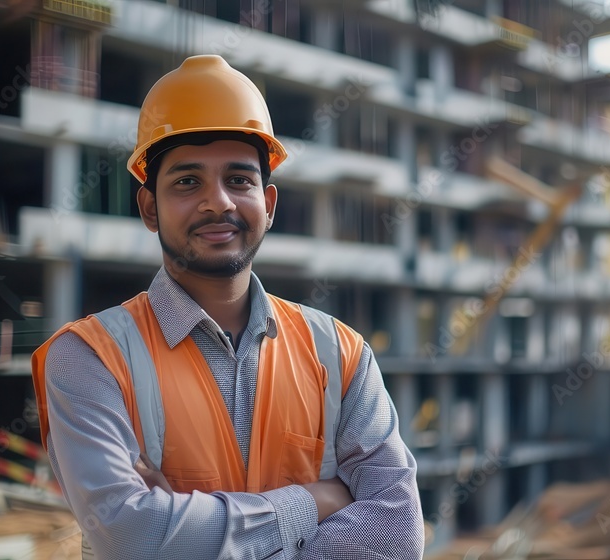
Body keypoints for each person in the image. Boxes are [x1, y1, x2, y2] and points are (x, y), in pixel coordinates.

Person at [31, 55, 424, 559]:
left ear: (270, 203)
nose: (218, 202)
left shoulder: (340, 354)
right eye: (187, 182)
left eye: (239, 179)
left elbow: (397, 539)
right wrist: (314, 499)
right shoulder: (89, 359)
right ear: (149, 207)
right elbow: (134, 538)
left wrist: (186, 527)